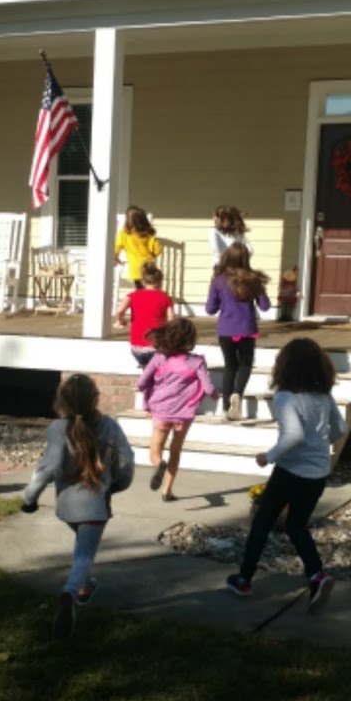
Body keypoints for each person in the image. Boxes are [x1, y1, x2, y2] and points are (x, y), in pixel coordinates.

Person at [227, 338, 345, 609]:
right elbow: (339, 428)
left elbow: (293, 435)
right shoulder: (324, 397)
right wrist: (320, 445)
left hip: (290, 471)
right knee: (296, 525)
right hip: (317, 474)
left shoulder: (285, 398)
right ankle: (316, 574)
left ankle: (244, 579)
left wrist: (267, 457)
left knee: (262, 523)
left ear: (286, 368)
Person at [19, 374, 135, 639]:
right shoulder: (109, 426)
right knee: (84, 555)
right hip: (95, 504)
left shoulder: (58, 428)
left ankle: (85, 586)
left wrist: (30, 498)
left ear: (62, 400)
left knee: (83, 547)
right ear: (96, 398)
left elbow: (47, 467)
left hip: (67, 506)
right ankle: (70, 593)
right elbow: (127, 462)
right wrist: (116, 485)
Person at [137, 318, 214, 502]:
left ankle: (158, 464)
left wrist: (147, 396)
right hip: (184, 414)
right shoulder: (197, 361)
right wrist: (217, 395)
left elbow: (141, 383)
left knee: (156, 448)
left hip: (161, 411)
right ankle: (167, 491)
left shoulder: (159, 358)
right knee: (175, 450)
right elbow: (209, 389)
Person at [206, 244, 271, 421]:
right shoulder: (253, 279)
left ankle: (226, 407)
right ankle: (237, 394)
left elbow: (210, 309)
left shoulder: (219, 280)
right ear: (246, 259)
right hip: (247, 330)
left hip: (226, 330)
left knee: (230, 365)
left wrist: (222, 302)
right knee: (245, 364)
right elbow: (265, 306)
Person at [114, 262, 176, 368]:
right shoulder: (165, 298)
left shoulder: (132, 296)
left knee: (147, 369)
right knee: (158, 371)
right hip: (156, 345)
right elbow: (171, 318)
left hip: (136, 346)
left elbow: (119, 311)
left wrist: (121, 320)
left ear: (143, 282)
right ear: (160, 282)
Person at [113, 205, 161, 290]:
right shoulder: (148, 234)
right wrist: (152, 256)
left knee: (140, 290)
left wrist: (116, 258)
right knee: (151, 290)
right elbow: (157, 250)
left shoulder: (124, 234)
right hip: (149, 267)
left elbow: (116, 248)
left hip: (135, 268)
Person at [209, 204, 252, 272]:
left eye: (216, 216)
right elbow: (218, 251)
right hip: (222, 268)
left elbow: (249, 250)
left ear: (227, 219)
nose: (214, 218)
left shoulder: (237, 233)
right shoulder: (214, 232)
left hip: (240, 267)